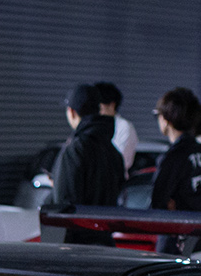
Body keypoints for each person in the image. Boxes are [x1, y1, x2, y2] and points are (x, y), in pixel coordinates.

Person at [42, 84, 127, 243]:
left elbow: (64, 205)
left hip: (78, 248)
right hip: (104, 242)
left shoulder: (75, 150)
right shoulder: (113, 152)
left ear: (72, 112)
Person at [149, 87, 201, 212]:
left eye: (158, 115)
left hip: (188, 228)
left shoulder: (174, 157)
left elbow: (158, 203)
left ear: (166, 119)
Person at [93, 81, 139, 171]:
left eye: (100, 106)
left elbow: (121, 161)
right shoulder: (92, 126)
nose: (96, 110)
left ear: (112, 105)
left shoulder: (124, 127)